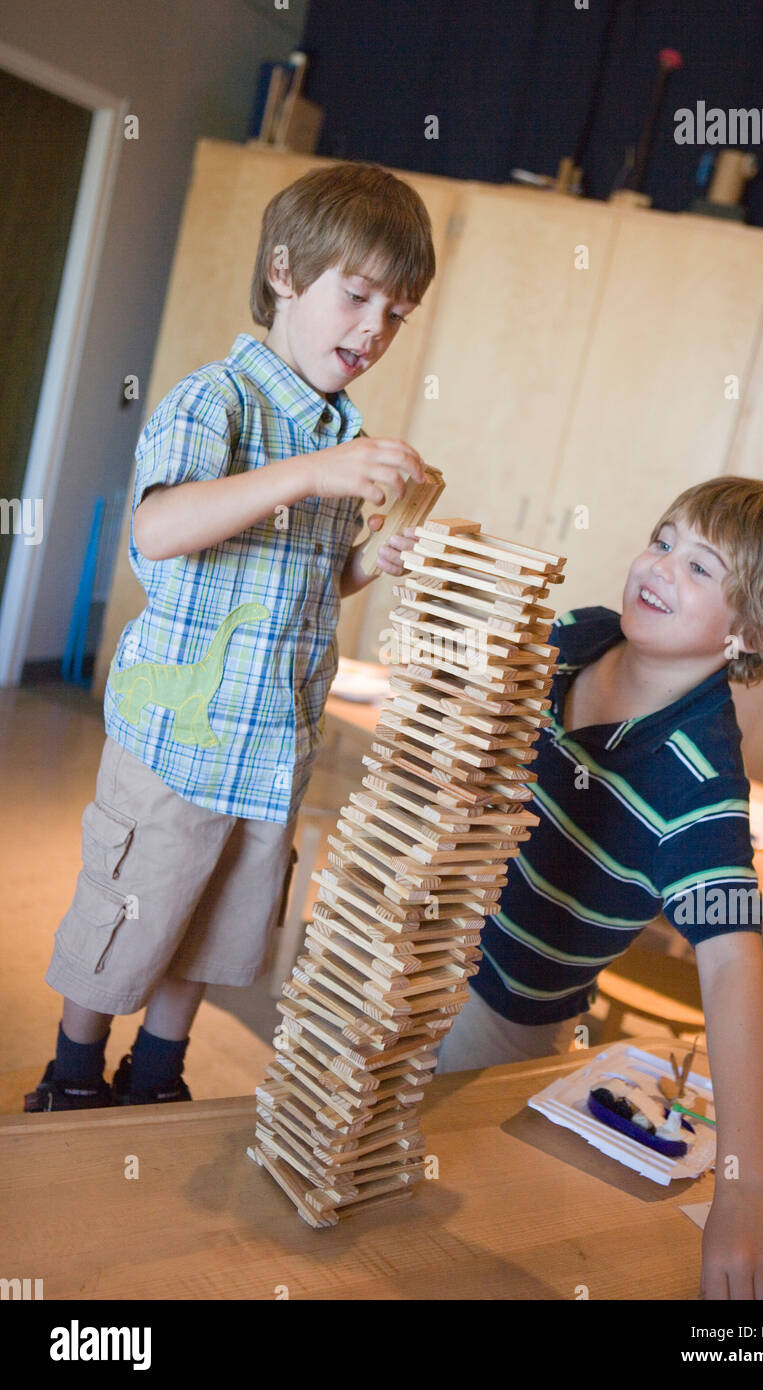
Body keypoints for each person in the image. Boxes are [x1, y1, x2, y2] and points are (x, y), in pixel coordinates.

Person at [27, 161, 435, 1112]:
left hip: (270, 751)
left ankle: (157, 1077)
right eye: (358, 294)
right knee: (130, 917)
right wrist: (309, 473)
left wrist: (374, 561)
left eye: (398, 313)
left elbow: (311, 584)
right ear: (287, 273)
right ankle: (71, 1081)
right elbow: (159, 528)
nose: (375, 330)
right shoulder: (216, 403)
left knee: (212, 924)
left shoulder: (339, 433)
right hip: (177, 748)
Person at [435, 476, 763, 1300]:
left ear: (754, 634)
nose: (659, 568)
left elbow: (733, 968)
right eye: (663, 540)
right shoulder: (580, 634)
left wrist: (746, 1191)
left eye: (701, 568)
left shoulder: (702, 785)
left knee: (423, 1210)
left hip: (502, 1024)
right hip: (423, 948)